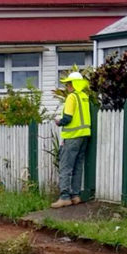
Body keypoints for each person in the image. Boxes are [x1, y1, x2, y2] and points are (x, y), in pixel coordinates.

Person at [51, 70, 92, 209]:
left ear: (73, 85)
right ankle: (75, 195)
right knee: (77, 166)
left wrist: (59, 122)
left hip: (72, 136)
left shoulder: (72, 97)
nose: (67, 87)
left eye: (68, 84)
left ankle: (64, 197)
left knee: (66, 166)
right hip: (84, 135)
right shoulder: (85, 97)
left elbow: (67, 118)